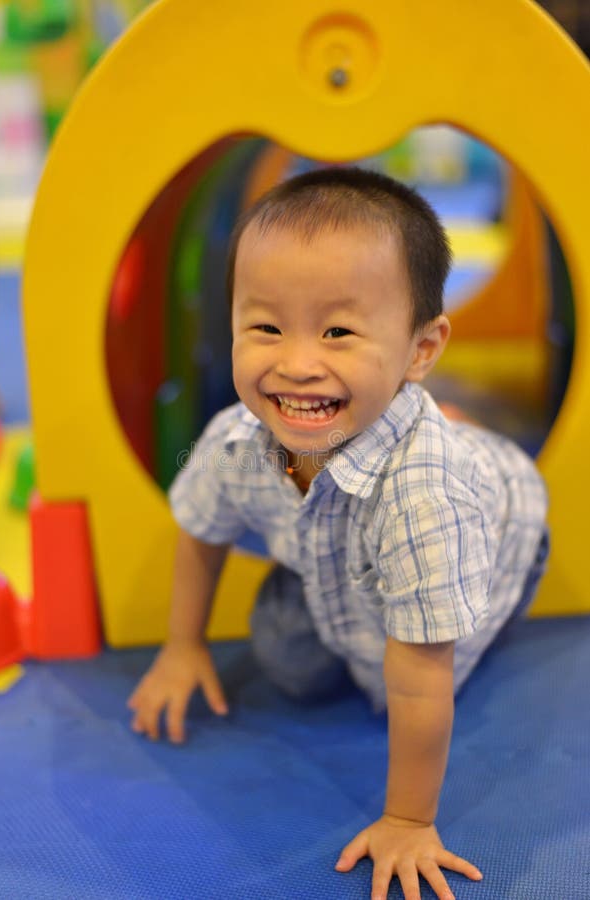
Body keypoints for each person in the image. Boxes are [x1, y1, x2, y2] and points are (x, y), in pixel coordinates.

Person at [128, 167, 548, 900]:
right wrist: (180, 646)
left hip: (495, 530)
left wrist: (407, 821)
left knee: (406, 675)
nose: (296, 364)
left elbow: (420, 677)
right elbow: (200, 532)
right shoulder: (232, 438)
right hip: (344, 540)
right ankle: (444, 428)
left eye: (337, 331)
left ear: (420, 349)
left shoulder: (428, 497)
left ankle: (464, 429)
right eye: (264, 327)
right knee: (290, 666)